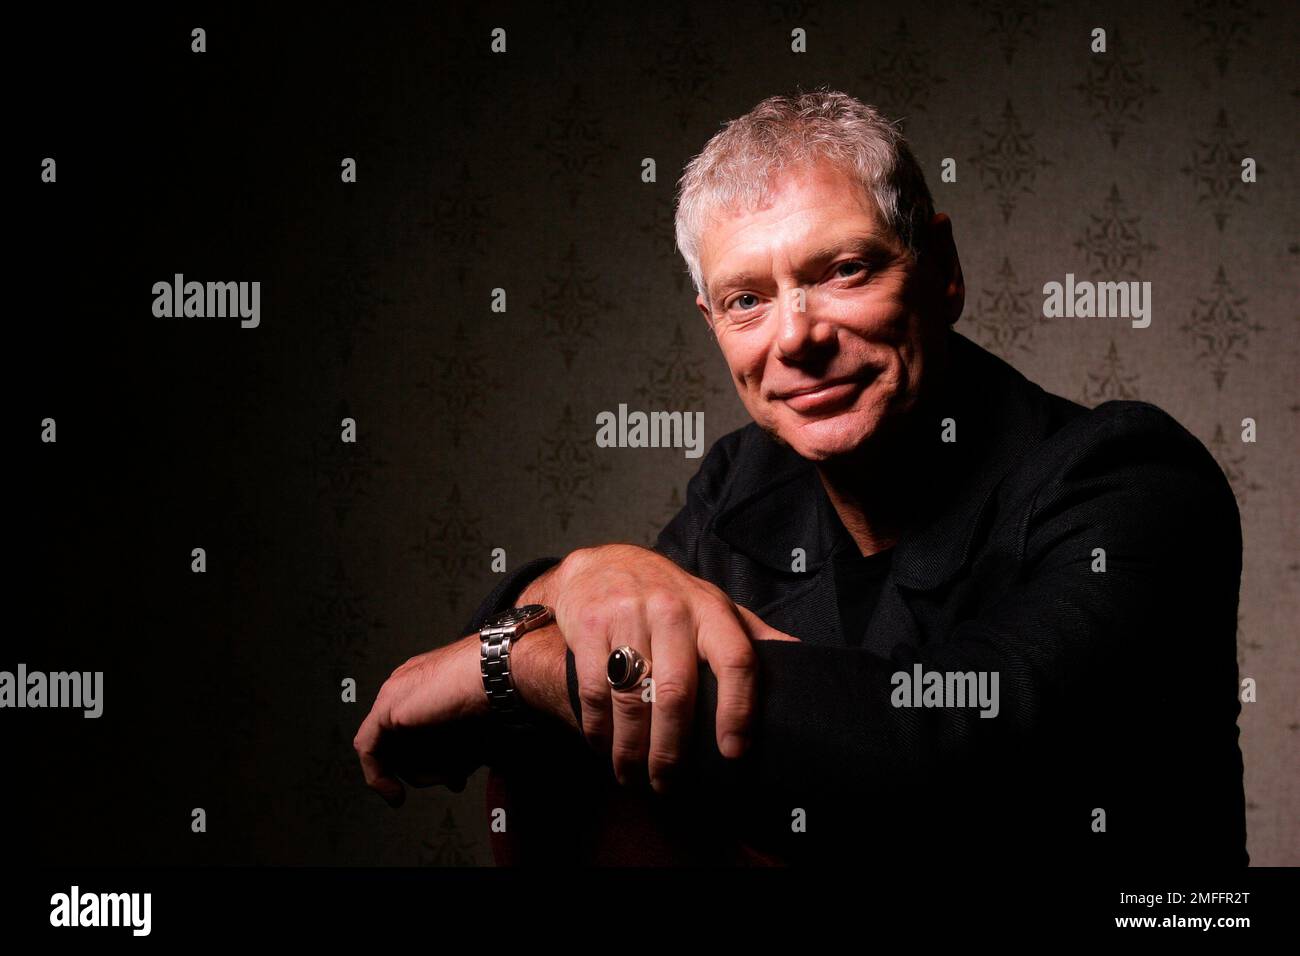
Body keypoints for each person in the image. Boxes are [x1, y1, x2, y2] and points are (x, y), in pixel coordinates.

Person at [354, 90, 1248, 867]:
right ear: (712, 322)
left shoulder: (1127, 477)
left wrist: (539, 656)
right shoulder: (745, 482)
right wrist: (578, 580)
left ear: (941, 269)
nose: (795, 337)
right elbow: (446, 730)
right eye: (748, 298)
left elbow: (945, 757)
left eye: (845, 270)